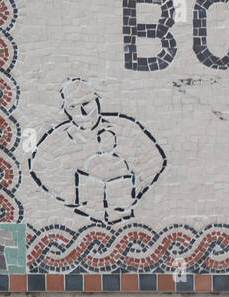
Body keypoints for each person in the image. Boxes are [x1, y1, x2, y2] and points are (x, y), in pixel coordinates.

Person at [29, 78, 165, 224]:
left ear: (97, 100)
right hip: (80, 219)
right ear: (66, 109)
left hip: (124, 217)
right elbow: (39, 167)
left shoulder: (125, 127)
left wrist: (133, 189)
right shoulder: (57, 138)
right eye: (73, 107)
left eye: (86, 104)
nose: (82, 112)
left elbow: (155, 159)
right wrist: (74, 197)